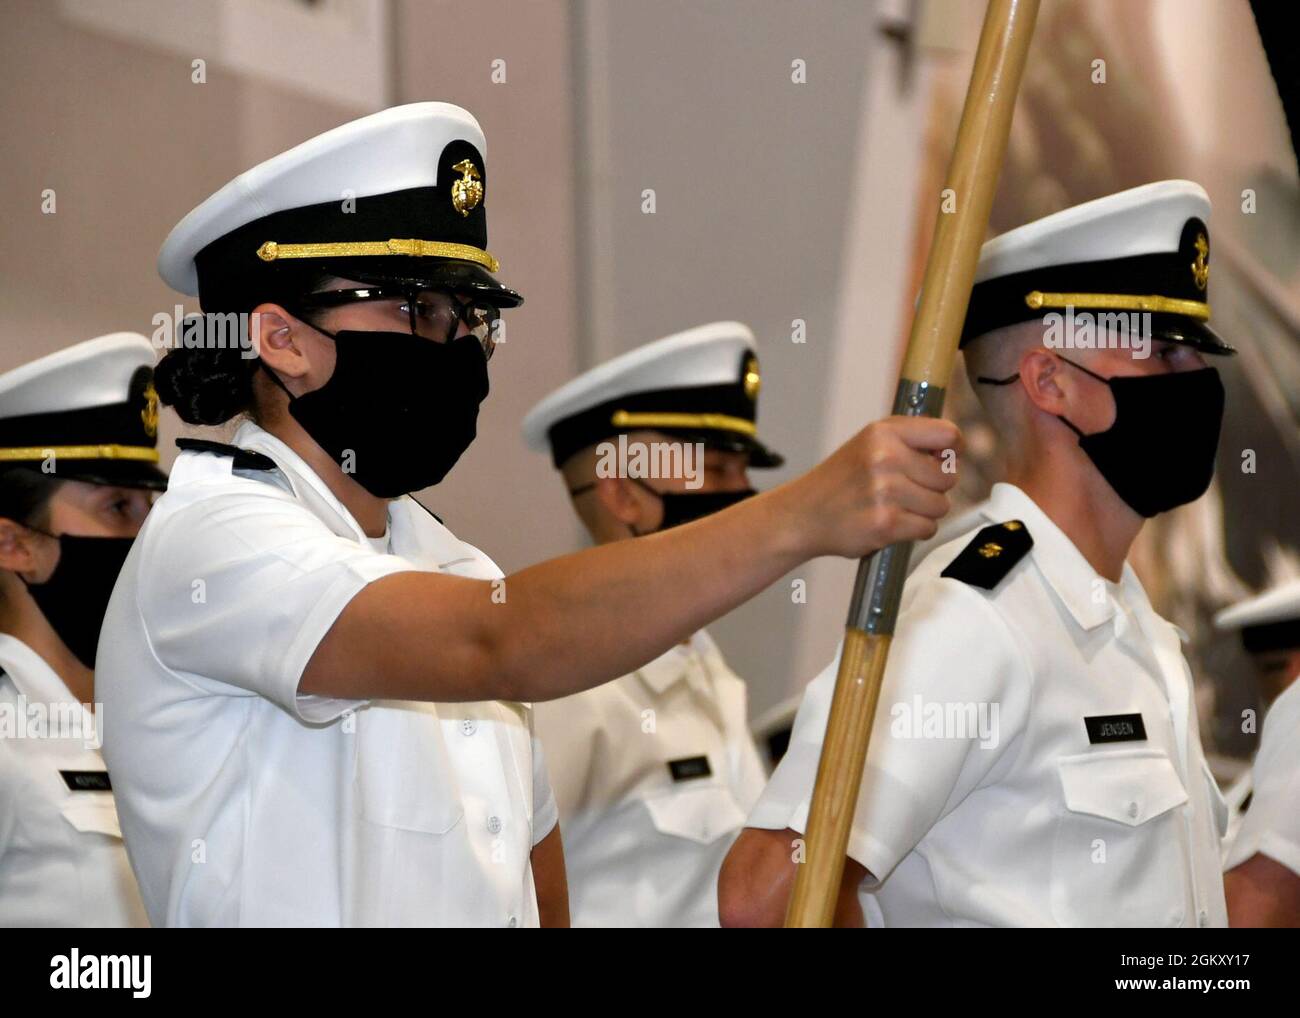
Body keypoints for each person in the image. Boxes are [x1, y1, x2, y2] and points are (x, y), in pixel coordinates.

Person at [96, 101, 960, 927]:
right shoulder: (213, 541)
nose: (459, 349)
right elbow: (504, 643)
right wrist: (803, 517)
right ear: (281, 338)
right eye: (420, 309)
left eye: (470, 319)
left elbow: (536, 888)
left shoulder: (451, 563)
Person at [719, 179, 1237, 928]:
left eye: (1195, 353)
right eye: (1160, 351)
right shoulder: (975, 619)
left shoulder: (1134, 632)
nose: (1197, 383)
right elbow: (765, 894)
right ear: (1051, 381)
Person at [520, 321, 775, 926]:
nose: (747, 499)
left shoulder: (702, 662)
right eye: (716, 473)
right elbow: (509, 892)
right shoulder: (568, 687)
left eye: (744, 472)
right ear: (623, 495)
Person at [0, 333, 164, 927]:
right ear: (13, 542)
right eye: (119, 509)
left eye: (153, 510)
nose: (148, 537)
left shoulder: (155, 718)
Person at [1217, 578, 1300, 926]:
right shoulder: (1249, 781)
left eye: (1276, 666)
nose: (1286, 685)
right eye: (1265, 670)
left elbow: (1253, 914)